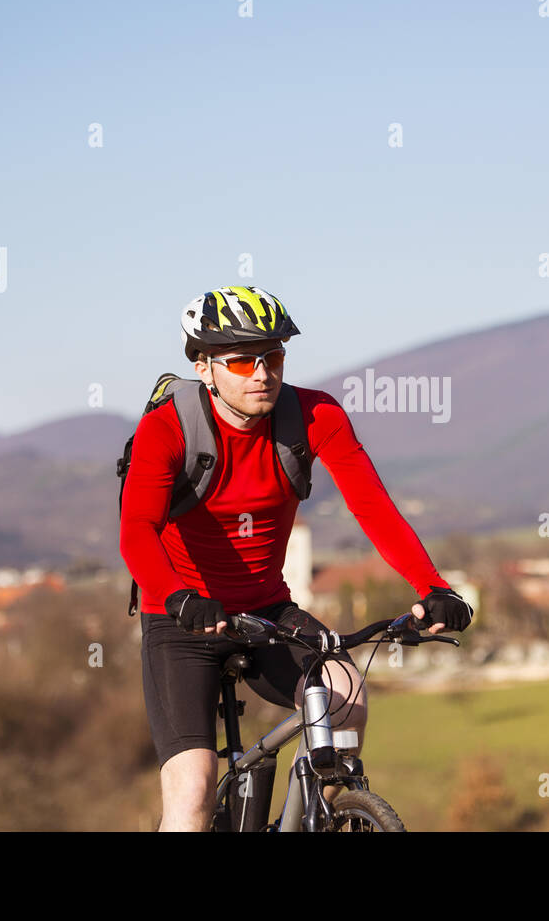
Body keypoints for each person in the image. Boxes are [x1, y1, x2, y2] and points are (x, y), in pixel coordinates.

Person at [119, 285, 472, 831]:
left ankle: (324, 810)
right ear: (204, 366)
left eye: (274, 356)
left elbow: (373, 508)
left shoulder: (315, 416)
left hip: (266, 611)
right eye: (242, 360)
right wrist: (179, 597)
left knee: (346, 693)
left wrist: (433, 586)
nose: (262, 373)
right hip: (183, 618)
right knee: (191, 793)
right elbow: (137, 531)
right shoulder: (166, 429)